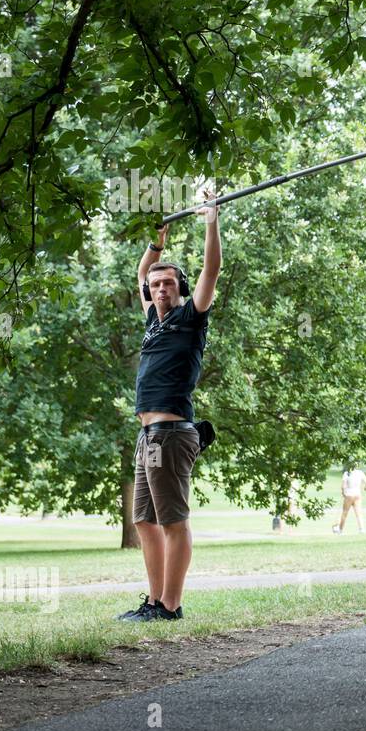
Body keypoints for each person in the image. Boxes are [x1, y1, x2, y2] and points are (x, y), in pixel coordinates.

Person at [118, 191, 221, 623]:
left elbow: (211, 269)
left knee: (173, 520)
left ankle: (171, 607)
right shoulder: (152, 322)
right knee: (144, 520)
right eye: (155, 284)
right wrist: (157, 243)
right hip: (147, 436)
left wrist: (210, 220)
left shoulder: (190, 317)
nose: (160, 287)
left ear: (179, 288)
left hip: (171, 432)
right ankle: (154, 600)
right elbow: (142, 270)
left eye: (168, 282)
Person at [332, 461, 366, 534]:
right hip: (357, 495)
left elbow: (343, 486)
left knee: (344, 513)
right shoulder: (360, 473)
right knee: (358, 513)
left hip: (349, 495)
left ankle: (340, 530)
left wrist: (343, 493)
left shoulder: (347, 473)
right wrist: (365, 488)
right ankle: (361, 529)